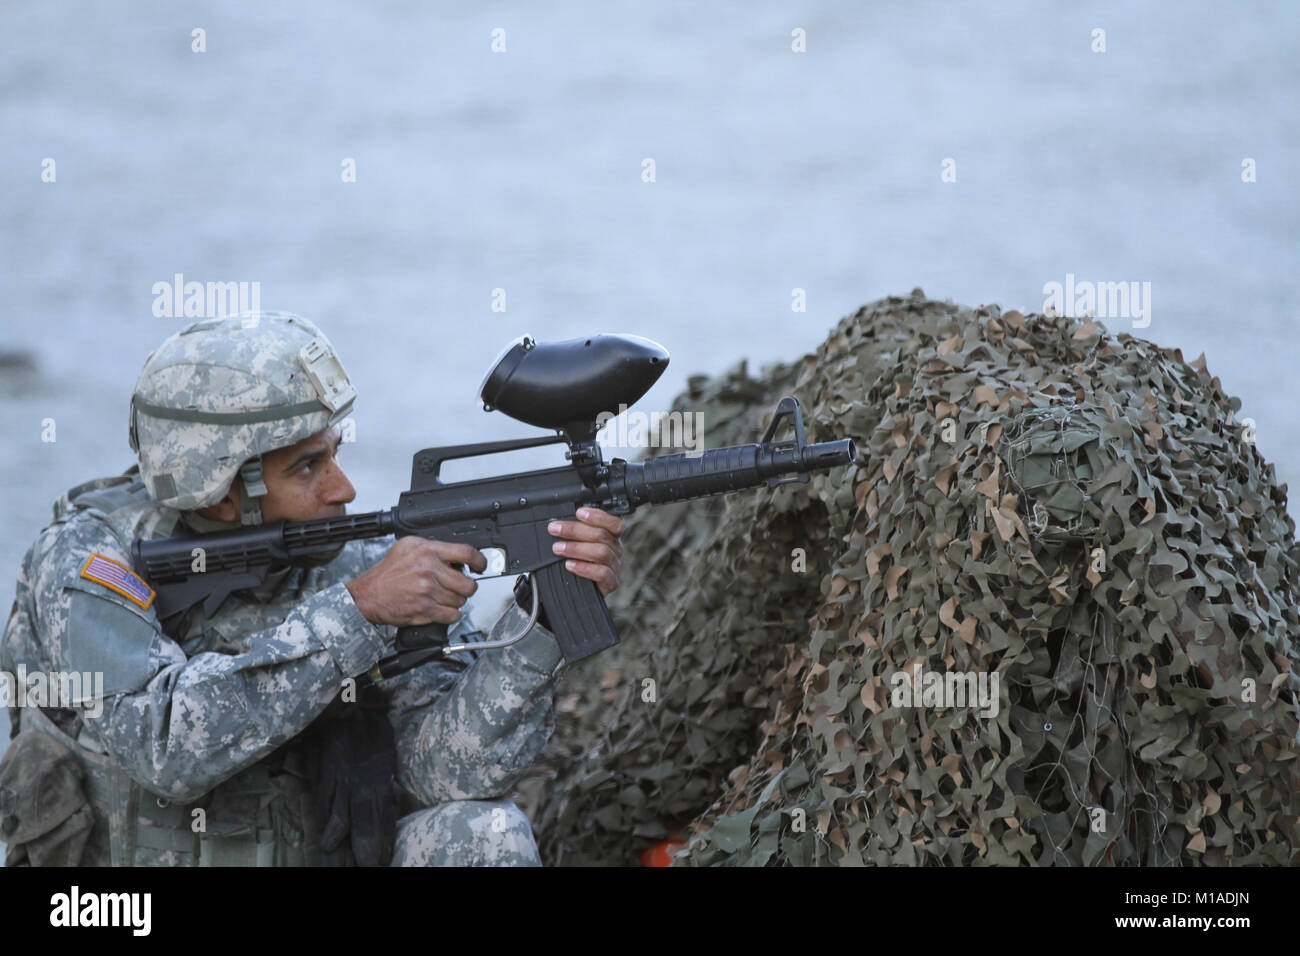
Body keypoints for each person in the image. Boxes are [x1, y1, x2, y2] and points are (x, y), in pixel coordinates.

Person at [0, 312, 624, 866]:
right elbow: (162, 748)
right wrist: (359, 614)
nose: (343, 489)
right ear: (220, 493)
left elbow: (448, 774)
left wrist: (541, 614)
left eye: (334, 453)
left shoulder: (352, 556)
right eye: (306, 467)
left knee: (484, 833)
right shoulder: (90, 563)